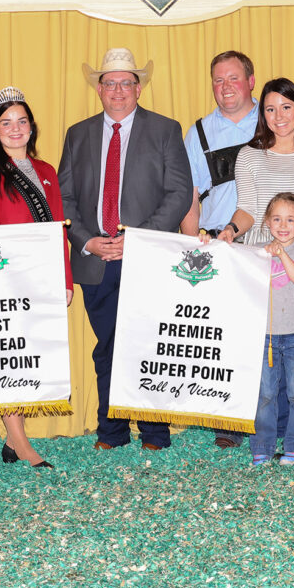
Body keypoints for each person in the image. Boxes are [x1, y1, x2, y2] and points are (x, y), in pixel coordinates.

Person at [58, 47, 193, 451]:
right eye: (110, 83)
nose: (118, 91)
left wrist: (138, 239)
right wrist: (86, 240)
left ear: (139, 88)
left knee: (150, 344)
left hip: (146, 257)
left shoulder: (165, 129)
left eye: (126, 83)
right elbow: (64, 197)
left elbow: (179, 192)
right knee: (108, 348)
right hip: (96, 258)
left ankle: (155, 432)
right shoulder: (78, 134)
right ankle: (112, 430)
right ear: (99, 88)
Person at [218, 78, 294, 446]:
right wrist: (230, 230)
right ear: (262, 114)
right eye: (270, 109)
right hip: (261, 265)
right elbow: (248, 209)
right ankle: (272, 430)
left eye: (286, 107)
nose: (278, 116)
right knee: (266, 347)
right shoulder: (250, 155)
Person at [0, 87, 73, 468]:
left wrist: (65, 278)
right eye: (6, 123)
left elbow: (59, 228)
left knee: (30, 359)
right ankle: (23, 444)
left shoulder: (47, 172)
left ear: (31, 127)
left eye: (21, 121)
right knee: (9, 360)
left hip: (43, 278)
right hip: (8, 280)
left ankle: (12, 442)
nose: (15, 129)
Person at [178, 50, 260, 449]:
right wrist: (192, 245)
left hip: (268, 241)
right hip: (219, 243)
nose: (225, 87)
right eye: (218, 80)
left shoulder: (275, 117)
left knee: (273, 335)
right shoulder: (199, 132)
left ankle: (271, 416)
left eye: (233, 78)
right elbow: (190, 194)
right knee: (224, 334)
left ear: (251, 82)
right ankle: (228, 417)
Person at [250, 192, 294, 466]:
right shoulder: (257, 250)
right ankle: (262, 447)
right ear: (267, 222)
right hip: (265, 335)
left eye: (290, 219)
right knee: (265, 394)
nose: (283, 225)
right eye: (276, 219)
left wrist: (281, 254)